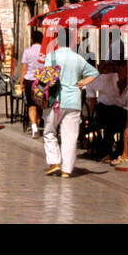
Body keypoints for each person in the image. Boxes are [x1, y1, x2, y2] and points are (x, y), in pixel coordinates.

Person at [43, 43, 99, 178]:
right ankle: (66, 170)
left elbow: (46, 79)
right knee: (70, 137)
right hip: (74, 101)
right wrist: (82, 83)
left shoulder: (51, 56)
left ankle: (54, 161)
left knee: (50, 131)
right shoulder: (78, 58)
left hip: (56, 100)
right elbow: (94, 73)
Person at [87, 64, 128, 162]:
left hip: (117, 112)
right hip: (109, 112)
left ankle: (113, 151)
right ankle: (110, 151)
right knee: (110, 117)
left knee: (115, 119)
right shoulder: (106, 78)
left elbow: (92, 101)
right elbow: (90, 84)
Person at [16, 31, 44, 137]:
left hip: (29, 80)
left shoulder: (27, 51)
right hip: (41, 81)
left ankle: (34, 127)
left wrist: (22, 82)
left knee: (31, 105)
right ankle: (37, 123)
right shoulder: (45, 51)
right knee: (40, 104)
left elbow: (24, 68)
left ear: (32, 39)